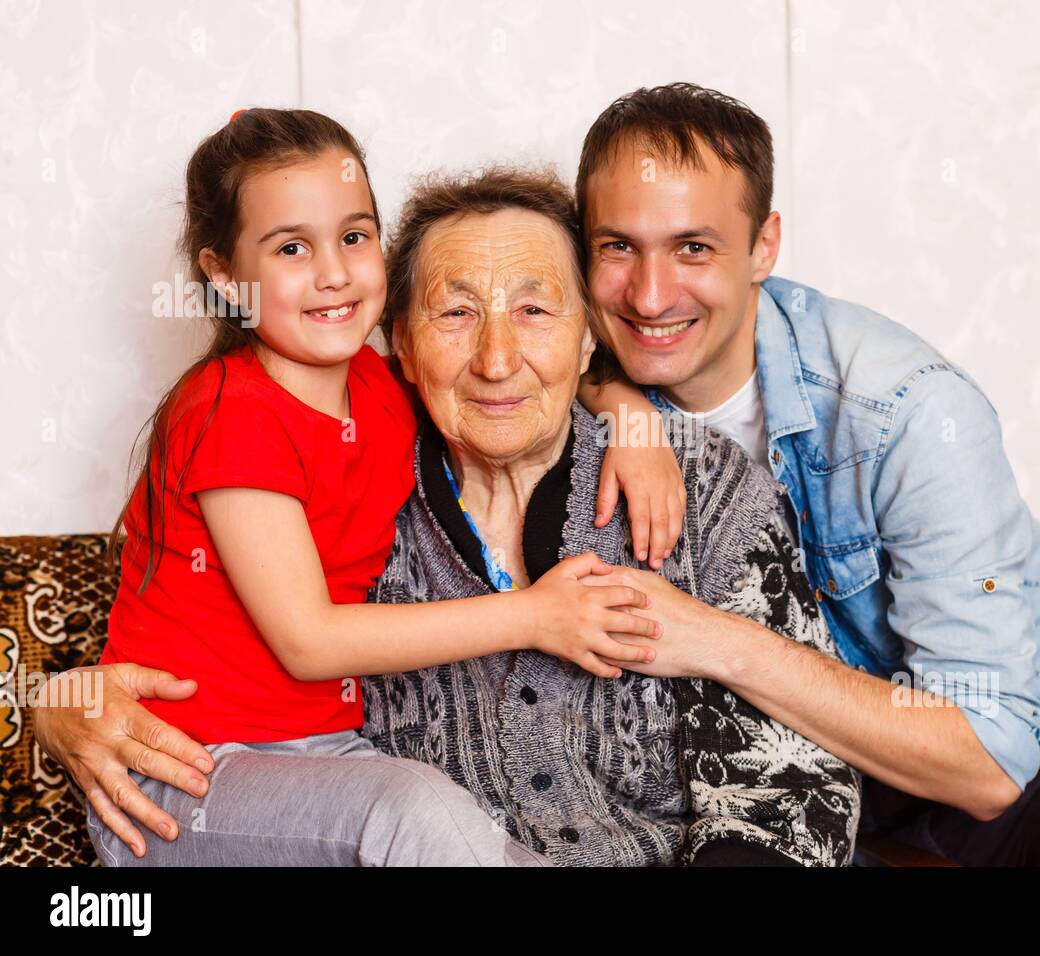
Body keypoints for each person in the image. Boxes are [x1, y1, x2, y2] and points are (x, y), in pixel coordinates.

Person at [37, 161, 862, 867]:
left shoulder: (702, 491)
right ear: (398, 339)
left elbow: (789, 782)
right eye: (455, 313)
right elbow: (247, 635)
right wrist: (57, 702)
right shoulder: (354, 494)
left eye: (536, 311)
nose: (497, 358)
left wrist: (632, 410)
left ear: (586, 341)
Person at [568, 82, 1040, 866]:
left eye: (693, 247)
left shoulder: (906, 409)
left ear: (763, 247)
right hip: (859, 796)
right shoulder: (590, 377)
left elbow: (990, 756)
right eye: (618, 246)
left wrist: (716, 642)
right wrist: (620, 401)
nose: (650, 295)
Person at [81, 108, 672, 867]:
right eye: (292, 247)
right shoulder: (231, 412)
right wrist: (533, 615)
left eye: (354, 237)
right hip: (181, 778)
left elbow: (510, 372)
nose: (333, 272)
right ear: (225, 275)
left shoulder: (380, 382)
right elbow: (309, 642)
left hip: (320, 760)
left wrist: (630, 413)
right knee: (410, 809)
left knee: (454, 827)